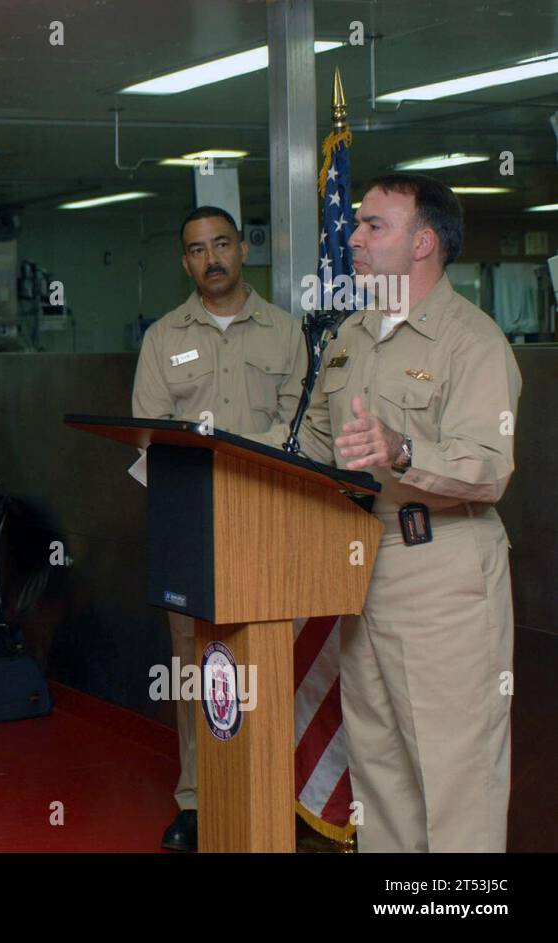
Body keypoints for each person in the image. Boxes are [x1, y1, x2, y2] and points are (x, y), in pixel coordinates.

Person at [255, 174, 520, 852]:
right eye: (359, 224)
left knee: (455, 774)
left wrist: (402, 451)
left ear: (424, 242)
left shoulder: (473, 341)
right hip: (359, 566)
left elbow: (490, 466)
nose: (355, 237)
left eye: (375, 226)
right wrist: (218, 454)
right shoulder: (351, 333)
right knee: (378, 770)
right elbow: (314, 443)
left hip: (443, 576)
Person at [131, 205, 306, 852]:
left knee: (268, 668)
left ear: (242, 249)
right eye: (198, 249)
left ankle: (274, 796)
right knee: (196, 670)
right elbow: (149, 434)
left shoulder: (287, 334)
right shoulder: (162, 337)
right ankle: (198, 801)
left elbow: (299, 432)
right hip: (194, 533)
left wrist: (232, 453)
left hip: (268, 530)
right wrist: (209, 467)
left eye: (222, 244)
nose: (212, 258)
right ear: (186, 261)